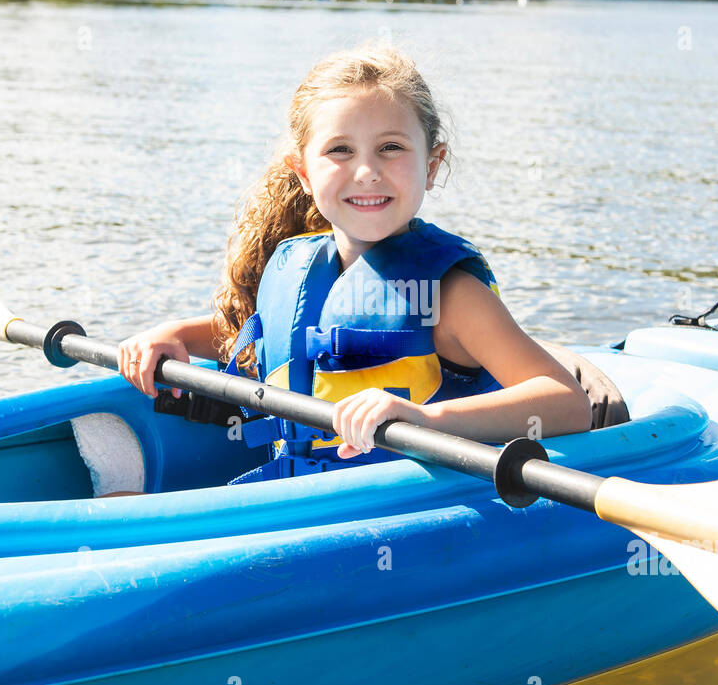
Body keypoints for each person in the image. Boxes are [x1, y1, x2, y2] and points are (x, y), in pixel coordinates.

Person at [116, 41, 595, 485]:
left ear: (431, 165)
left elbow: (567, 404)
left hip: (405, 507)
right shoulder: (296, 268)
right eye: (340, 150)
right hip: (301, 496)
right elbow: (257, 335)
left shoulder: (451, 295)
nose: (367, 171)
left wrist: (427, 421)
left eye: (391, 148)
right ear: (303, 172)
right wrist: (176, 334)